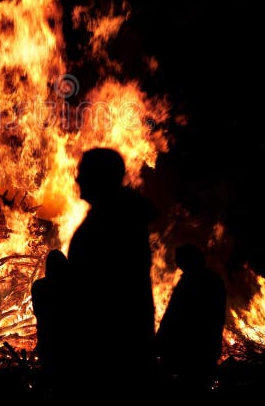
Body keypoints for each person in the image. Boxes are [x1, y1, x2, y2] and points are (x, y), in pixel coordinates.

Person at [66, 147, 158, 397]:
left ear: (100, 177)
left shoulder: (113, 224)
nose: (77, 179)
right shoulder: (118, 216)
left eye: (83, 172)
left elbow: (102, 292)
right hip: (113, 348)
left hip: (109, 353)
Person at [156, 243, 227, 396]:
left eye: (179, 259)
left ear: (189, 260)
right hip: (204, 347)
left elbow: (175, 316)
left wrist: (161, 341)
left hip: (191, 348)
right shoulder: (212, 280)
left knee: (190, 387)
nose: (176, 262)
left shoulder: (194, 282)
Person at [31, 248, 72, 397]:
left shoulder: (38, 286)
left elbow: (38, 312)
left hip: (47, 342)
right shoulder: (70, 288)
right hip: (66, 344)